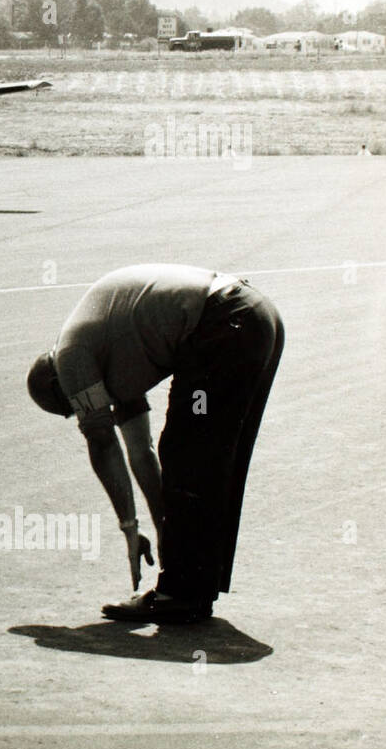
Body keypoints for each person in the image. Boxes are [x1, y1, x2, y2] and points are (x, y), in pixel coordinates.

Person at [26, 264, 284, 624]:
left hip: (222, 324)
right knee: (209, 459)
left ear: (62, 386)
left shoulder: (71, 358)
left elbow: (103, 444)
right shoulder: (109, 356)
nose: (86, 409)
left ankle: (178, 592)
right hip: (255, 317)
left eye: (76, 406)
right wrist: (164, 530)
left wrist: (129, 528)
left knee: (188, 454)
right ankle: (191, 588)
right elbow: (141, 455)